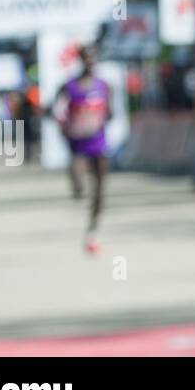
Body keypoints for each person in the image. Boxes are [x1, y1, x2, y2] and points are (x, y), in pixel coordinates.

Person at [53, 44, 112, 254]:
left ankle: (93, 229)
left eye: (93, 58)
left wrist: (96, 117)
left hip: (98, 140)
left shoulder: (104, 86)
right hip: (77, 142)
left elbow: (110, 112)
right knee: (79, 184)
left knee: (101, 188)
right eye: (86, 58)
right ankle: (76, 184)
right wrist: (66, 130)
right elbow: (57, 111)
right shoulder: (69, 87)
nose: (90, 62)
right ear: (81, 60)